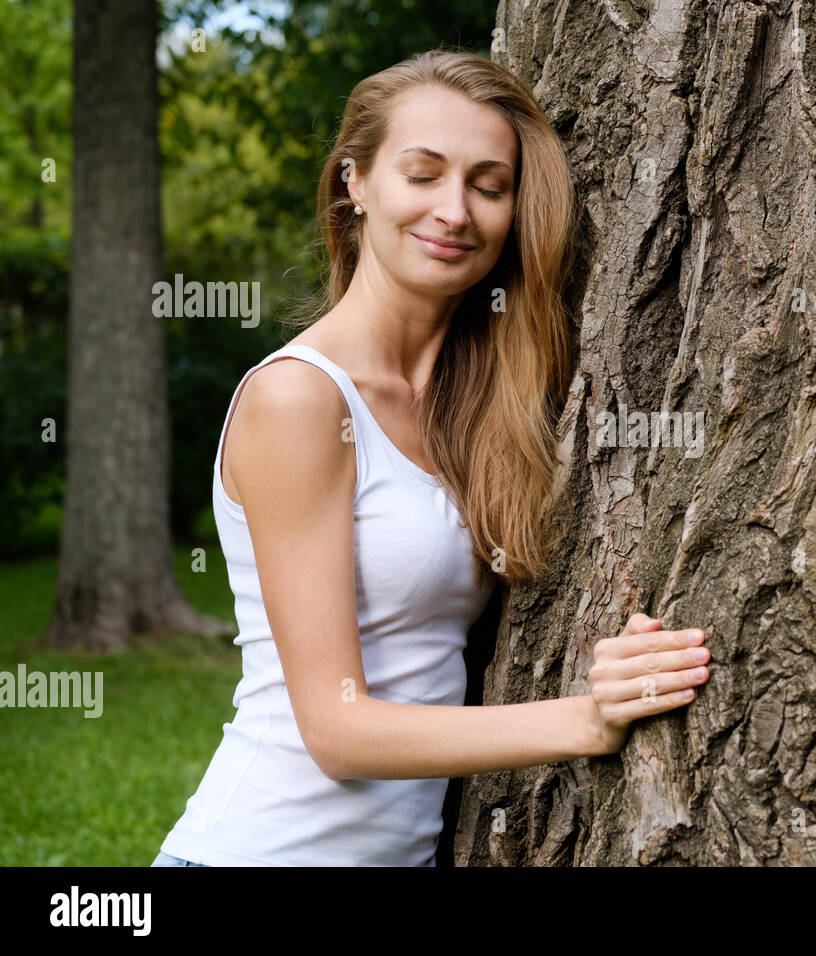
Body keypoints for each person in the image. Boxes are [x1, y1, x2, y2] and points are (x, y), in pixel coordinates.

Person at [152, 49, 710, 867]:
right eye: (423, 174)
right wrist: (587, 718)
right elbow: (337, 729)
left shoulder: (486, 407)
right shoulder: (301, 401)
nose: (455, 211)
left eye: (489, 186)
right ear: (356, 183)